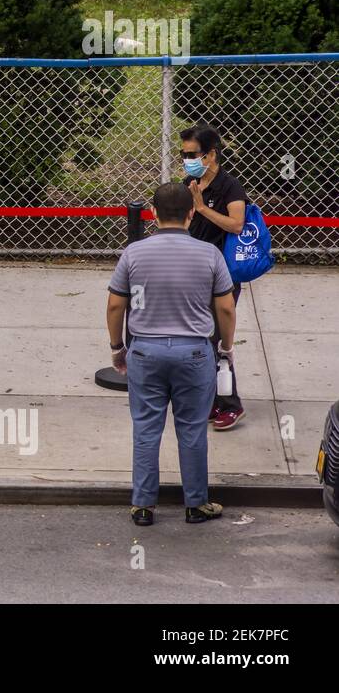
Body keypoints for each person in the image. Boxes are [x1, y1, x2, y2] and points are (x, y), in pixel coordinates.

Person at [107, 182, 237, 527]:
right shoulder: (209, 254)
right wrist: (225, 348)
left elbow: (116, 303)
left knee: (146, 428)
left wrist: (118, 348)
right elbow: (225, 307)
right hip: (194, 352)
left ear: (152, 214)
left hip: (146, 351)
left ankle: (143, 506)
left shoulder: (133, 253)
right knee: (192, 429)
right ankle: (195, 504)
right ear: (192, 214)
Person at [180, 125, 248, 431]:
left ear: (211, 154)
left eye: (192, 154)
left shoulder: (229, 187)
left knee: (218, 339)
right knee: (200, 339)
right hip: (193, 272)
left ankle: (230, 404)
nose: (187, 159)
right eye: (183, 154)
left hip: (222, 273)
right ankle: (210, 399)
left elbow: (236, 224)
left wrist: (201, 209)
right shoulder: (189, 183)